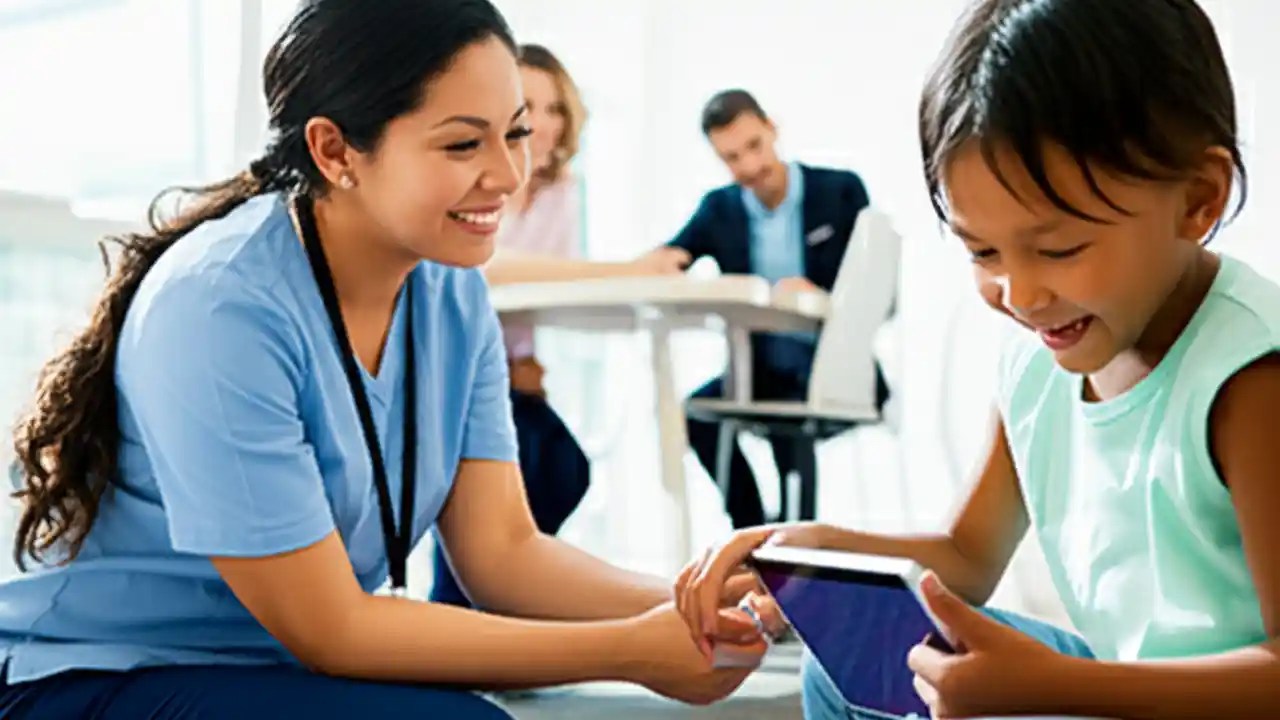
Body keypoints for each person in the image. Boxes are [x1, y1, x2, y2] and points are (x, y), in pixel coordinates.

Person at [0, 2, 766, 717]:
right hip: (100, 673)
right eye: (464, 143)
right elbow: (332, 629)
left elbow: (502, 552)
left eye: (518, 133)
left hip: (267, 667)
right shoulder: (222, 305)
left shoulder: (450, 288)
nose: (506, 175)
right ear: (335, 150)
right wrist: (627, 651)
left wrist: (695, 596)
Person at [676, 1, 1279, 719]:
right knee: (851, 667)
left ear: (1199, 201)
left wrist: (1059, 685)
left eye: (1060, 249)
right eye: (982, 252)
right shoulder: (1040, 360)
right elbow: (968, 555)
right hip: (1114, 682)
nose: (1019, 294)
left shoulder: (1250, 379)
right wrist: (816, 548)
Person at [429, 43, 687, 608]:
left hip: (506, 370)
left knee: (561, 467)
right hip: (447, 366)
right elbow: (489, 273)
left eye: (554, 110)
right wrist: (624, 270)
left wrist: (521, 358)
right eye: (528, 108)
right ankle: (461, 605)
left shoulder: (561, 193)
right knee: (520, 467)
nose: (542, 124)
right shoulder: (469, 180)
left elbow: (544, 291)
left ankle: (498, 600)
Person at [646, 89, 882, 529]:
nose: (749, 167)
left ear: (772, 128)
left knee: (784, 401)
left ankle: (793, 538)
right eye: (732, 158)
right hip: (756, 370)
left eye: (754, 146)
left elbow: (877, 293)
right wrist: (666, 261)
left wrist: (821, 292)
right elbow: (672, 254)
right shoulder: (720, 209)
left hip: (834, 364)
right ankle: (752, 528)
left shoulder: (841, 192)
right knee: (696, 414)